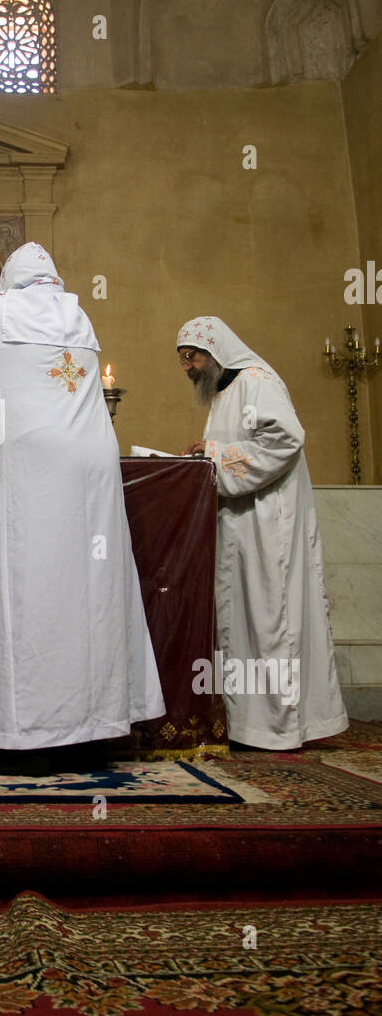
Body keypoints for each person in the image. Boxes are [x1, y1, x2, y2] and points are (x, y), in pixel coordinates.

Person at [0, 241, 164, 774]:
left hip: (26, 471)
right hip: (90, 467)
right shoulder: (78, 314)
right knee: (90, 594)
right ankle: (91, 728)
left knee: (22, 591)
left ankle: (22, 733)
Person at [177, 315, 348, 749]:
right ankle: (248, 724)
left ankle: (279, 726)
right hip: (239, 518)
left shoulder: (256, 380)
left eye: (191, 356)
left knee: (270, 617)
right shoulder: (225, 392)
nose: (187, 367)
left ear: (213, 351)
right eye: (182, 359)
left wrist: (214, 452)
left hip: (269, 519)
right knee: (243, 620)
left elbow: (287, 438)